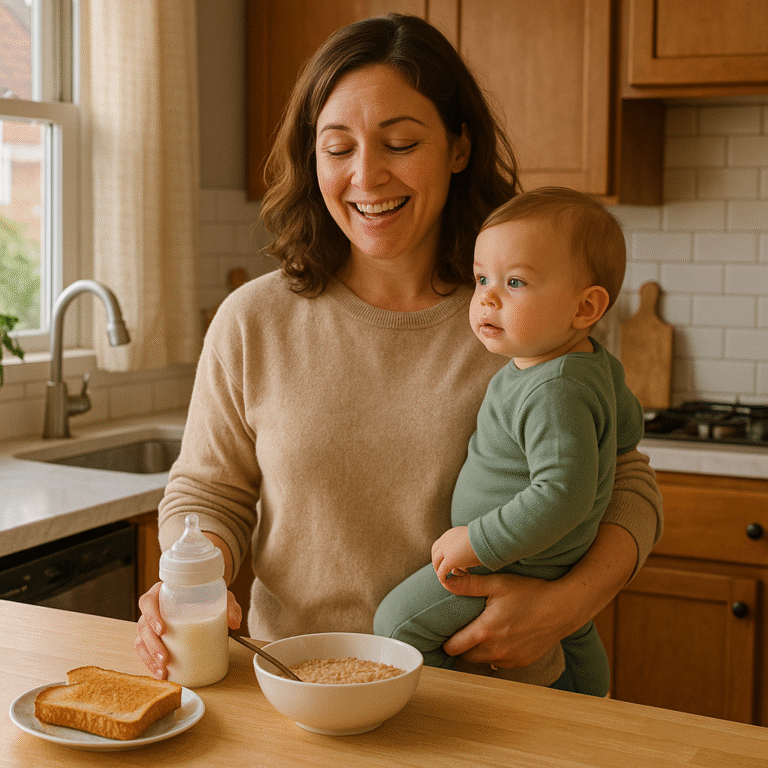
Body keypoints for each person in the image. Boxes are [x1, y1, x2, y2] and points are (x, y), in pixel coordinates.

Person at [135, 14, 662, 688]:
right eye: (338, 148)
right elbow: (209, 490)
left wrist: (569, 604)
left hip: (487, 695)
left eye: (401, 143)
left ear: (459, 147)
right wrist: (189, 580)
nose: (367, 175)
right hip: (302, 687)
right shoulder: (252, 320)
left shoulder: (524, 317)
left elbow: (624, 482)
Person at [374, 188, 643, 695]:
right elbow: (625, 433)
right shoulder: (588, 365)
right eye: (482, 279)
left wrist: (476, 541)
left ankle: (461, 707)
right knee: (574, 638)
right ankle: (589, 696)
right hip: (551, 559)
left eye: (514, 282)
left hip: (516, 558)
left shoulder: (553, 388)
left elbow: (562, 494)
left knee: (395, 625)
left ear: (585, 306)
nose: (487, 298)